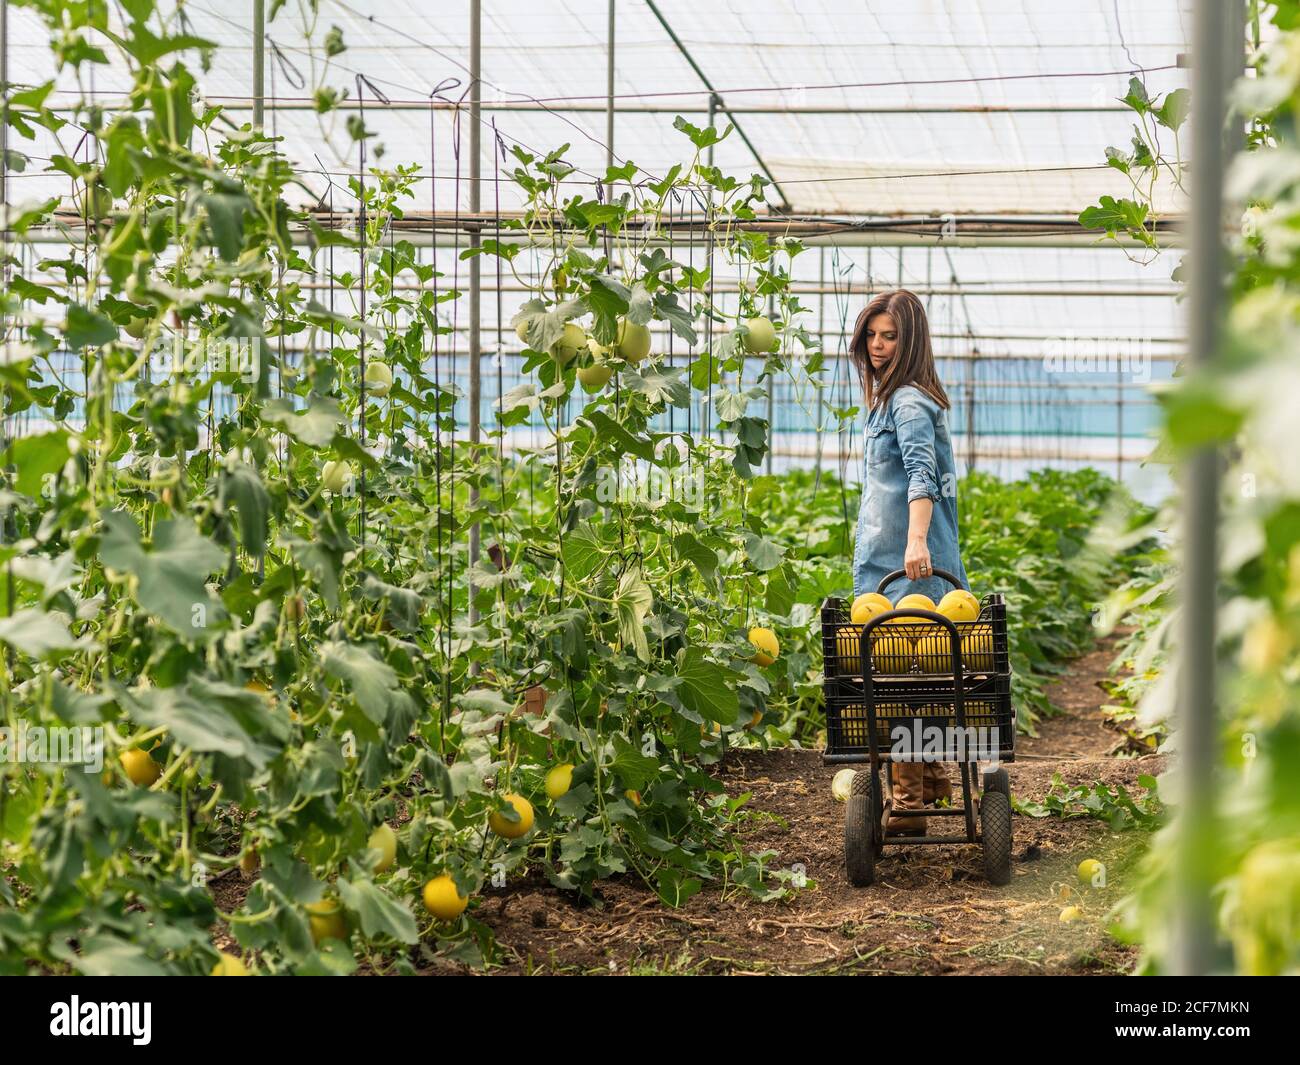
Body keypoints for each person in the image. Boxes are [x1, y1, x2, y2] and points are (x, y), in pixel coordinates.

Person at [848, 289, 971, 836]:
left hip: (908, 566)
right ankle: (931, 779)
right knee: (917, 675)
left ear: (911, 338)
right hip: (892, 561)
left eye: (889, 335)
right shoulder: (897, 398)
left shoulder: (907, 402)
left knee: (900, 675)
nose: (877, 345)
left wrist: (915, 541)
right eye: (872, 334)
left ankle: (910, 799)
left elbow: (921, 476)